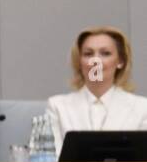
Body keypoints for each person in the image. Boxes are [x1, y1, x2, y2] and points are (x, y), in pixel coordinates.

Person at [46, 26, 147, 154]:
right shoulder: (57, 106)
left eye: (105, 53)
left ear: (120, 61)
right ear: (79, 61)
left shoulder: (142, 108)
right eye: (88, 54)